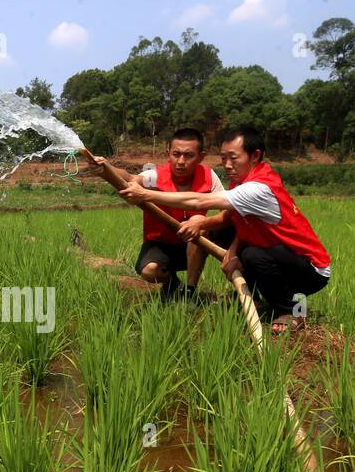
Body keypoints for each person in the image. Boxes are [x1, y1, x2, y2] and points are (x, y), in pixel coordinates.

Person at [119, 125, 331, 335]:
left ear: (255, 156)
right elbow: (232, 217)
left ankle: (290, 310)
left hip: (311, 270)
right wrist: (223, 241)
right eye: (223, 158)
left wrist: (146, 195)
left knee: (253, 255)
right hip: (285, 258)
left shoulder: (258, 188)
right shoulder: (242, 180)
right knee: (224, 236)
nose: (227, 165)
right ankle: (257, 298)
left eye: (233, 158)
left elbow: (198, 200)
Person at [92, 128, 234, 303]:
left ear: (201, 157)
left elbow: (226, 210)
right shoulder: (155, 177)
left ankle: (190, 292)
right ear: (168, 154)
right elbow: (129, 178)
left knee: (201, 225)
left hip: (194, 243)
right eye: (176, 154)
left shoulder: (209, 177)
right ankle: (172, 283)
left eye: (188, 155)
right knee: (149, 271)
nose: (181, 161)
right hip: (162, 243)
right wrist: (107, 168)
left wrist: (204, 222)